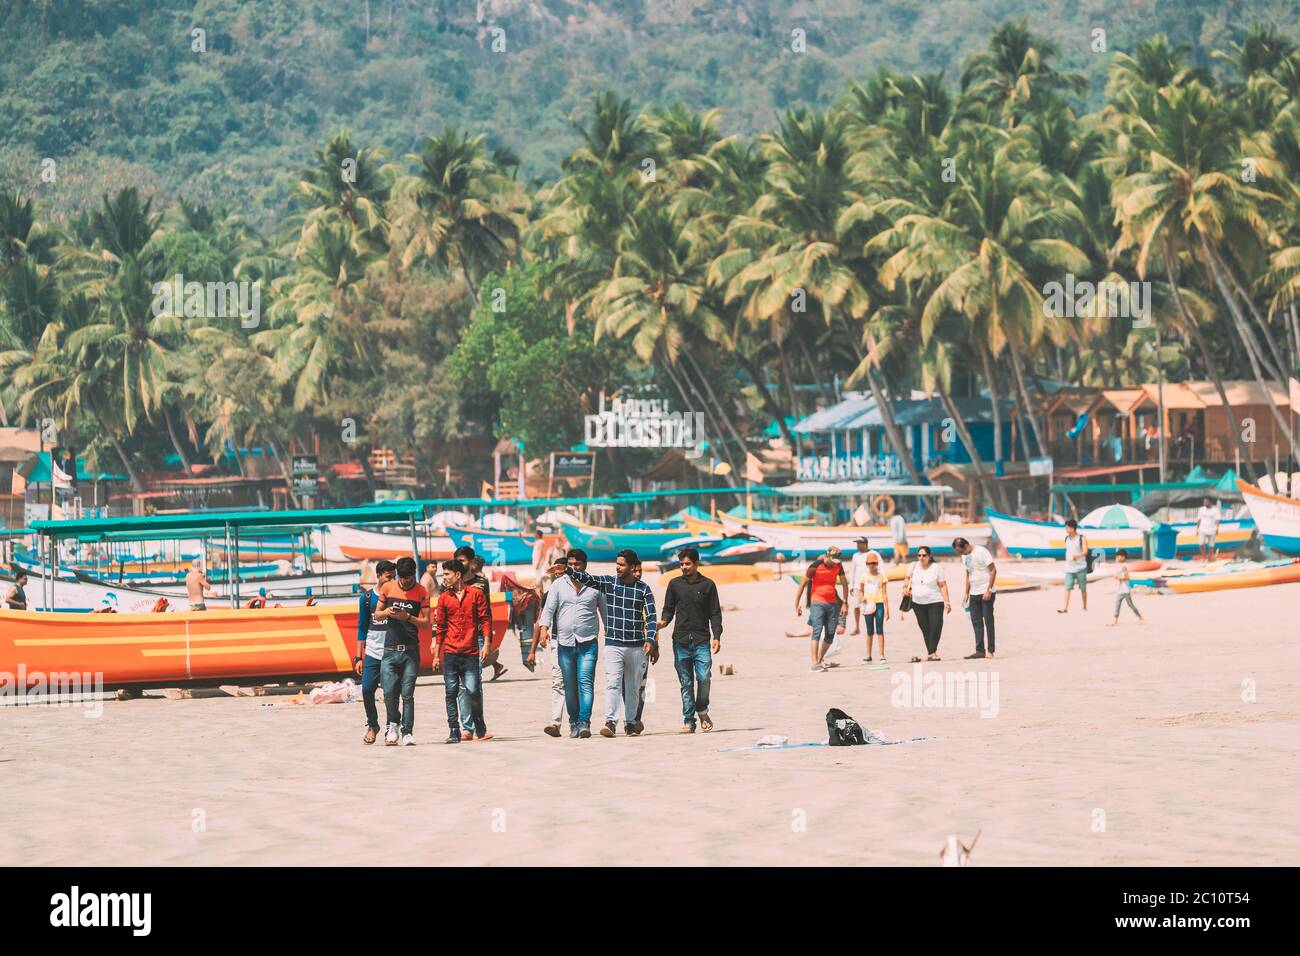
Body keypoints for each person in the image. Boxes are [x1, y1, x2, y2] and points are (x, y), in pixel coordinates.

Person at [547, 548, 658, 738]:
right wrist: (567, 570)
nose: (617, 567)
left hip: (637, 645)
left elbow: (652, 617)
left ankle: (630, 722)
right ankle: (610, 722)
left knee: (632, 687)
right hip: (613, 644)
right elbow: (589, 579)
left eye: (622, 565)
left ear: (632, 567)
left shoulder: (644, 589)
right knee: (613, 683)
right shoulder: (609, 583)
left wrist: (650, 640)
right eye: (617, 564)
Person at [532, 547, 605, 738]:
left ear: (584, 565)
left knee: (586, 682)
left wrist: (611, 636)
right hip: (564, 643)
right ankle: (573, 722)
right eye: (570, 564)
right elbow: (548, 610)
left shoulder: (595, 585)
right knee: (570, 684)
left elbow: (605, 614)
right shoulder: (558, 585)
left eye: (577, 564)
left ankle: (584, 723)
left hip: (588, 642)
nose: (573, 567)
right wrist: (544, 630)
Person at [659, 548, 722, 734]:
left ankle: (702, 709)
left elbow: (715, 613)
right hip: (681, 641)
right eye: (681, 564)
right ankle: (689, 721)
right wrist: (663, 622)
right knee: (686, 683)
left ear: (696, 564)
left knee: (704, 678)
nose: (684, 567)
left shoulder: (708, 585)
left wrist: (717, 636)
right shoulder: (674, 584)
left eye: (687, 564)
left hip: (702, 640)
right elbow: (668, 609)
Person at [433, 559, 493, 743]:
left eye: (447, 574)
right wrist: (436, 654)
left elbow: (485, 620)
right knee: (451, 692)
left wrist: (487, 644)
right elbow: (440, 627)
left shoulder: (476, 594)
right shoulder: (443, 598)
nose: (444, 578)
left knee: (474, 690)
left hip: (471, 651)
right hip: (450, 652)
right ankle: (454, 731)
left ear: (457, 575)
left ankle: (480, 728)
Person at [376, 556, 430, 746]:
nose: (406, 581)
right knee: (389, 692)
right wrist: (387, 612)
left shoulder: (422, 591)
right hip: (390, 649)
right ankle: (393, 724)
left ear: (414, 574)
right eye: (403, 577)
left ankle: (407, 731)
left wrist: (408, 616)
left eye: (409, 577)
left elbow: (425, 623)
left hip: (411, 650)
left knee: (408, 693)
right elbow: (377, 613)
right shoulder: (388, 588)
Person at [353, 560, 397, 745]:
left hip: (391, 651)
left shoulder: (396, 595)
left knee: (390, 692)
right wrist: (358, 657)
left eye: (394, 577)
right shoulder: (367, 598)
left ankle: (390, 726)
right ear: (379, 576)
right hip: (372, 650)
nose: (392, 580)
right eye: (388, 577)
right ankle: (373, 724)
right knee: (367, 689)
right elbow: (362, 627)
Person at [794, 546, 848, 672]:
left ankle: (819, 660)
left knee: (830, 634)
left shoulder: (838, 566)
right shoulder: (815, 566)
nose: (835, 562)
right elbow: (802, 585)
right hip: (817, 602)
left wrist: (845, 602)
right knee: (817, 631)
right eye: (833, 559)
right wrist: (797, 604)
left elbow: (845, 584)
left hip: (832, 603)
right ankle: (814, 663)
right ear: (827, 555)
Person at [902, 545, 949, 661]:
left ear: (929, 556)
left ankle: (932, 651)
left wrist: (947, 601)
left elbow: (942, 585)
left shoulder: (936, 568)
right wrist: (904, 588)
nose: (921, 557)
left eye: (924, 555)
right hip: (917, 602)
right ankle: (931, 653)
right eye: (919, 555)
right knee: (925, 627)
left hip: (935, 601)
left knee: (936, 626)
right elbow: (907, 578)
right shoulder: (913, 566)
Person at [954, 537, 997, 660]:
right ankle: (979, 651)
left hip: (987, 592)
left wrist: (988, 590)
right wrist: (966, 593)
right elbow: (968, 574)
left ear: (966, 545)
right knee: (976, 621)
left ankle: (990, 650)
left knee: (988, 621)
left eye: (961, 551)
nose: (961, 554)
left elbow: (993, 571)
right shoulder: (964, 556)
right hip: (974, 593)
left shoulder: (981, 551)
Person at [856, 550, 888, 664]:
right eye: (870, 563)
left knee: (879, 629)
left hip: (879, 604)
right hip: (868, 605)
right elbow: (860, 590)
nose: (872, 565)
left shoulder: (881, 576)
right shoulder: (864, 576)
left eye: (874, 563)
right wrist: (862, 598)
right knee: (869, 631)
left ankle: (881, 655)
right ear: (867, 564)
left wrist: (887, 609)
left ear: (877, 564)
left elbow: (884, 593)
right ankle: (868, 656)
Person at [1108, 549, 1144, 627]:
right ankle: (1115, 620)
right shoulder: (1119, 565)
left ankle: (1140, 617)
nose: (1118, 558)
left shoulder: (1124, 566)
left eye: (1120, 556)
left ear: (1124, 557)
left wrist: (1118, 578)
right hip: (1120, 589)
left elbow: (1127, 577)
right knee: (1117, 604)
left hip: (1125, 589)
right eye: (1117, 556)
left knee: (1130, 604)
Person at [1060, 519, 1089, 612]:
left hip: (1081, 567)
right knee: (1067, 588)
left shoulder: (1082, 538)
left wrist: (1078, 556)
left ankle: (1084, 606)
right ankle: (1065, 607)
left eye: (1067, 527)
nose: (1066, 529)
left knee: (1083, 589)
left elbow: (1086, 551)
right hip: (1069, 568)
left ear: (1072, 528)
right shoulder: (1066, 538)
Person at [847, 536, 872, 635]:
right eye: (857, 543)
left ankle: (869, 627)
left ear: (865, 544)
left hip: (869, 585)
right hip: (857, 585)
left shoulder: (872, 554)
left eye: (859, 543)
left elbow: (880, 569)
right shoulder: (855, 556)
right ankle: (857, 627)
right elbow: (852, 572)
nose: (857, 545)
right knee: (856, 607)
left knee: (869, 607)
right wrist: (851, 586)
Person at [1197, 497, 1221, 561]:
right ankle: (1204, 557)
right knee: (1201, 544)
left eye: (1206, 502)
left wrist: (1217, 529)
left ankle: (1210, 558)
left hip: (1212, 529)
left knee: (1211, 545)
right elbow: (1199, 519)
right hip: (1202, 529)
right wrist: (1197, 529)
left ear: (1210, 502)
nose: (1205, 503)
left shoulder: (1215, 510)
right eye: (1204, 502)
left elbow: (1217, 520)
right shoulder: (1201, 509)